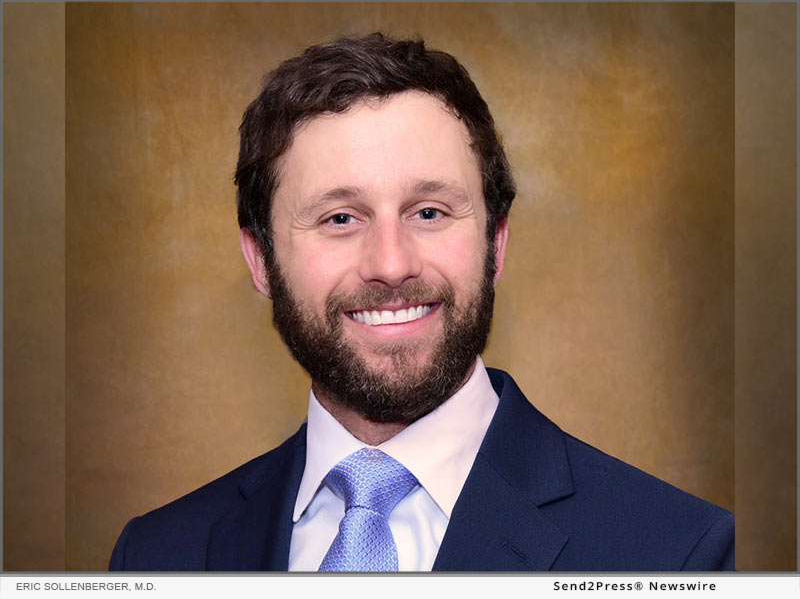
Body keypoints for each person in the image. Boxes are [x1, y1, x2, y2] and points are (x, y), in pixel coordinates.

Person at [109, 33, 734, 572]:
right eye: (340, 218)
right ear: (260, 260)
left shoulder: (680, 553)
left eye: (429, 212)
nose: (391, 265)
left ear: (496, 242)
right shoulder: (156, 556)